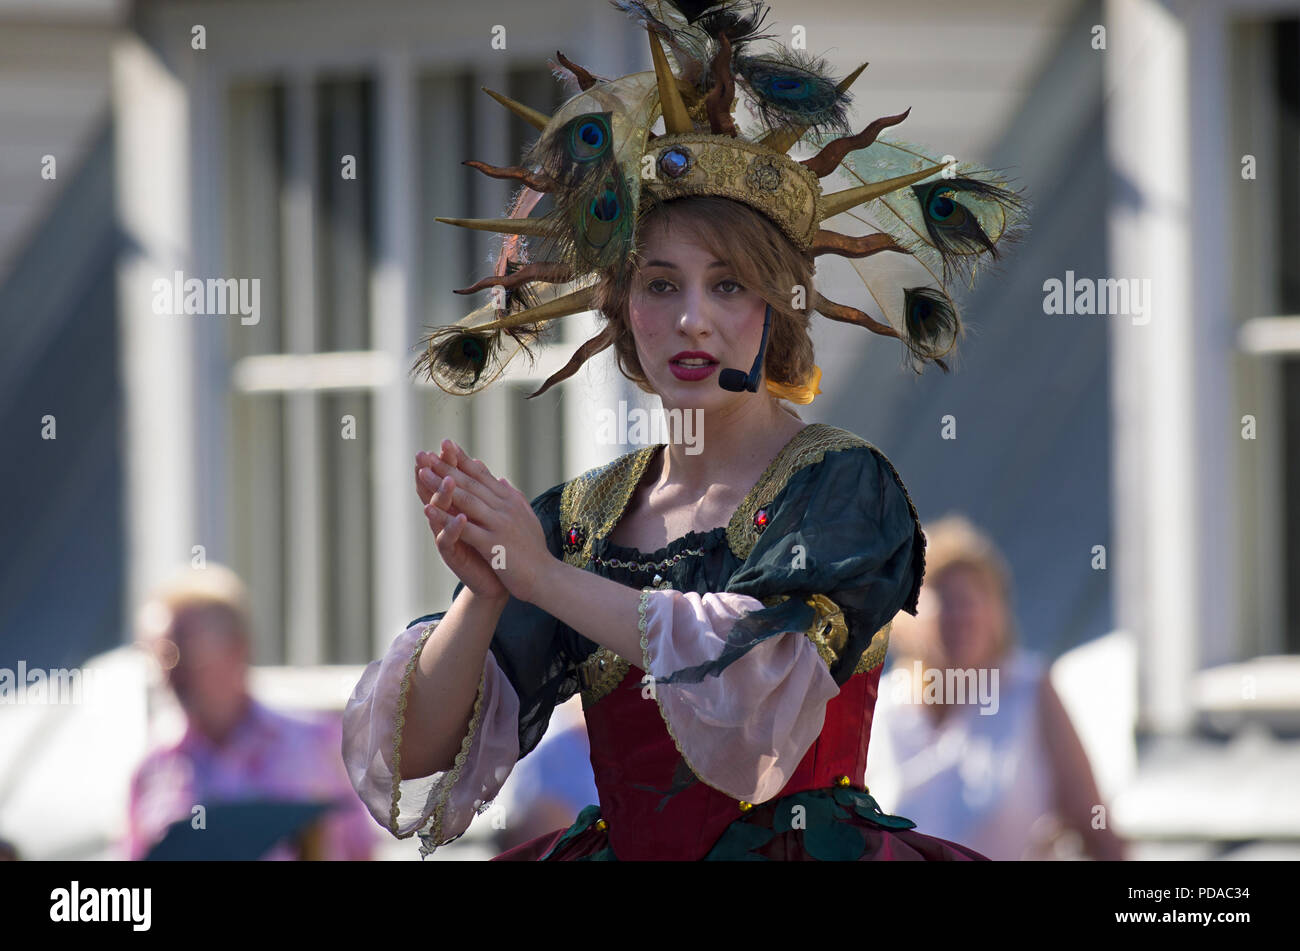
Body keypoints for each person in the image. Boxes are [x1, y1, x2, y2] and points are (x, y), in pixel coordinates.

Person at [342, 0, 1027, 860]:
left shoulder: (842, 488)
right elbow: (414, 752)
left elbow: (750, 718)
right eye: (661, 285)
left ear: (778, 308)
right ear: (625, 311)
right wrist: (487, 591)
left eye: (729, 285)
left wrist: (542, 576)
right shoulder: (579, 519)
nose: (694, 319)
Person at [867, 515, 1128, 860]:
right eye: (944, 598)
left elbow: (1094, 827)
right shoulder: (880, 709)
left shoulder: (1030, 692)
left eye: (973, 599)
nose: (963, 615)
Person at [127, 564, 376, 861]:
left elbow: (362, 853)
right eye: (156, 656)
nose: (167, 674)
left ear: (237, 648)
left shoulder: (315, 745)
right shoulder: (153, 766)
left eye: (179, 652)